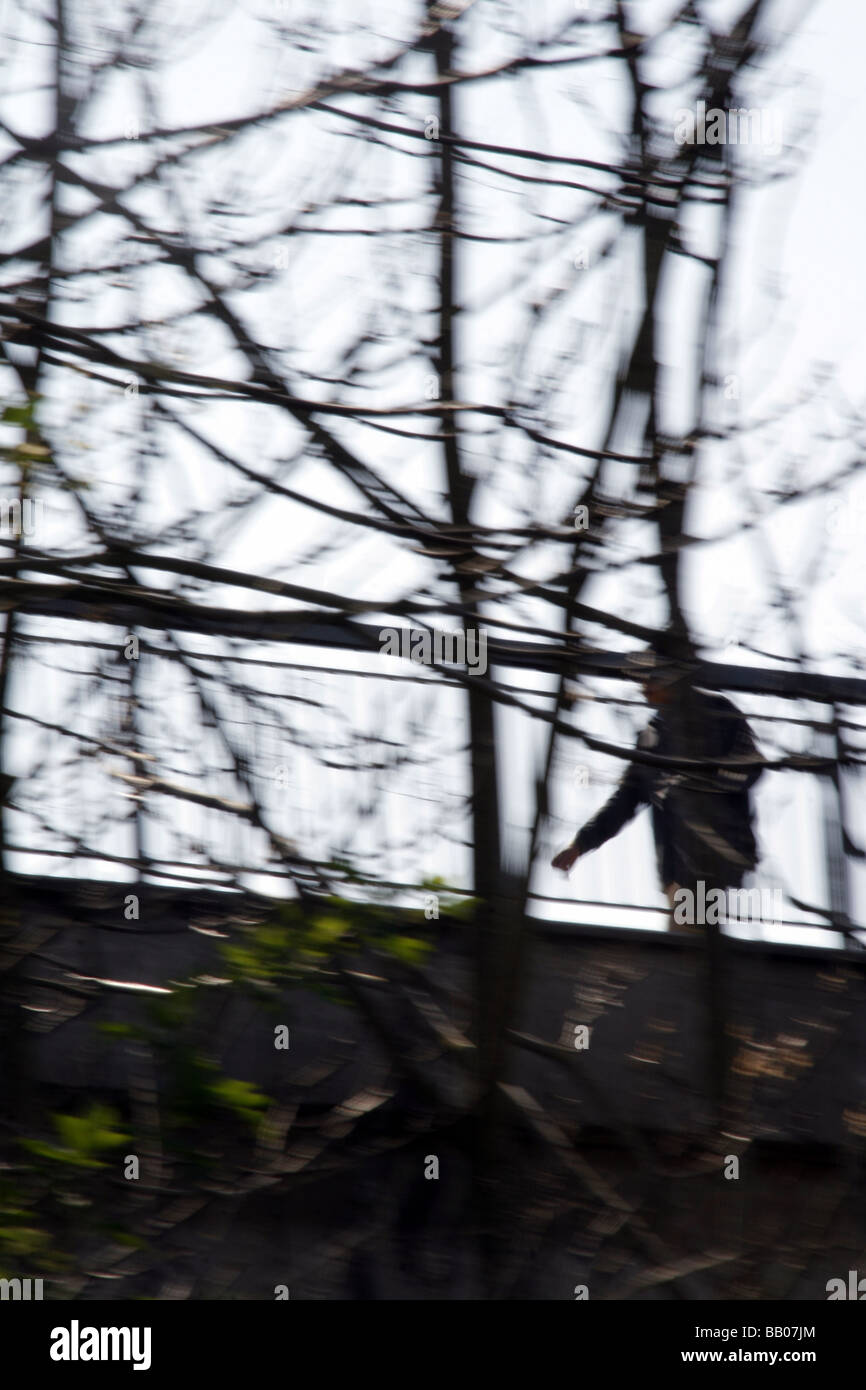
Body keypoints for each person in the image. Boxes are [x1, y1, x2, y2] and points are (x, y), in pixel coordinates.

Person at [551, 653, 764, 929]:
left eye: (650, 679)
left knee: (692, 941)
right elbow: (624, 801)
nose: (643, 688)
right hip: (679, 864)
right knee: (692, 942)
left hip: (714, 850)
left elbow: (751, 765)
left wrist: (706, 785)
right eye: (641, 681)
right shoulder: (651, 737)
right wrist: (580, 844)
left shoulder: (717, 712)